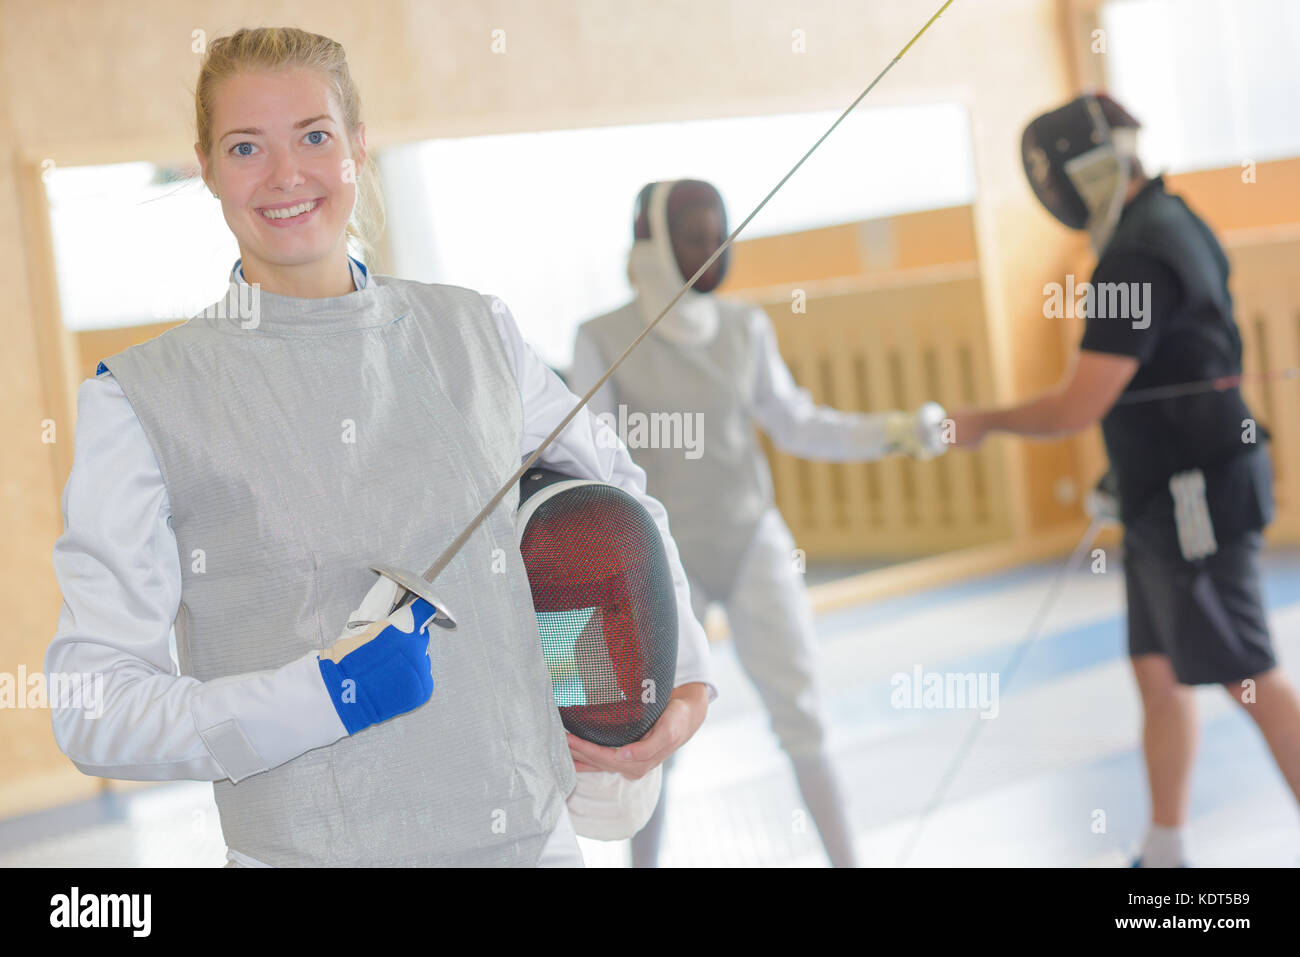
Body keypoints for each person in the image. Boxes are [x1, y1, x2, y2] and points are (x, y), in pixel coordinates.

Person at [45, 26, 714, 868]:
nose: (287, 175)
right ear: (206, 168)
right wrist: (316, 698)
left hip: (531, 840)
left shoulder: (477, 331)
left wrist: (682, 686)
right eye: (246, 146)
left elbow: (618, 494)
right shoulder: (142, 398)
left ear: (358, 147)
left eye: (314, 136)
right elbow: (93, 705)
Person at [949, 92, 1300, 867]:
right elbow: (1177, 364)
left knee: (1248, 676)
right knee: (1158, 670)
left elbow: (1080, 403)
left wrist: (985, 420)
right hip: (1163, 490)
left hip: (1193, 497)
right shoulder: (1174, 218)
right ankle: (1167, 848)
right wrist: (1132, 462)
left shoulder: (1133, 258)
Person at [570, 178, 946, 867]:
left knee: (804, 720)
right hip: (661, 559)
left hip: (751, 540)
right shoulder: (604, 338)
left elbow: (798, 423)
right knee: (653, 733)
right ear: (654, 244)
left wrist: (896, 431)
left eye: (720, 234)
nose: (713, 249)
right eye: (694, 236)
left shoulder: (746, 328)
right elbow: (590, 460)